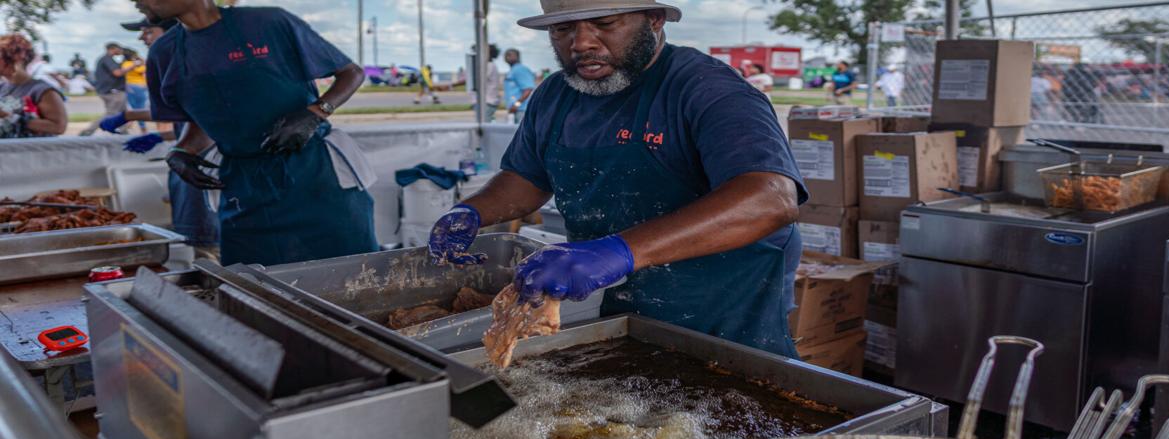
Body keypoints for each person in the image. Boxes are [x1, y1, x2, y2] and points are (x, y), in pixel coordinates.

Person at [427, 0, 807, 357]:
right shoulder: (554, 95)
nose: (581, 43)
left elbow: (770, 198)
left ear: (654, 20)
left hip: (720, 318)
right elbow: (525, 178)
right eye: (562, 29)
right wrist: (470, 212)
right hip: (611, 312)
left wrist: (618, 251)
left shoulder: (708, 89)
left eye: (604, 24)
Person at [135, 0, 380, 266]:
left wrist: (315, 113)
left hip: (317, 176)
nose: (136, 2)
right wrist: (183, 151)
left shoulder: (268, 22)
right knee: (254, 285)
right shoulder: (164, 53)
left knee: (353, 273)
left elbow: (351, 73)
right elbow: (202, 119)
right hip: (243, 188)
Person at [95, 14, 220, 257]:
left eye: (148, 31)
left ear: (170, 31)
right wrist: (159, 138)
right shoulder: (173, 60)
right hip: (188, 165)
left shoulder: (191, 61)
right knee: (198, 244)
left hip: (203, 166)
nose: (142, 37)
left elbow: (198, 115)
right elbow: (188, 124)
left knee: (209, 243)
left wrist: (129, 116)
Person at [0, 33, 68, 138]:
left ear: (16, 58)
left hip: (31, 153)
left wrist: (8, 116)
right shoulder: (2, 87)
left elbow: (58, 127)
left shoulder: (43, 91)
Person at [502, 48, 534, 120]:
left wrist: (516, 105)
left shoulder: (520, 69)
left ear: (517, 56)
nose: (507, 57)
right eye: (506, 55)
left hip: (522, 110)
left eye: (509, 55)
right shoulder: (513, 70)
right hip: (516, 110)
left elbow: (528, 90)